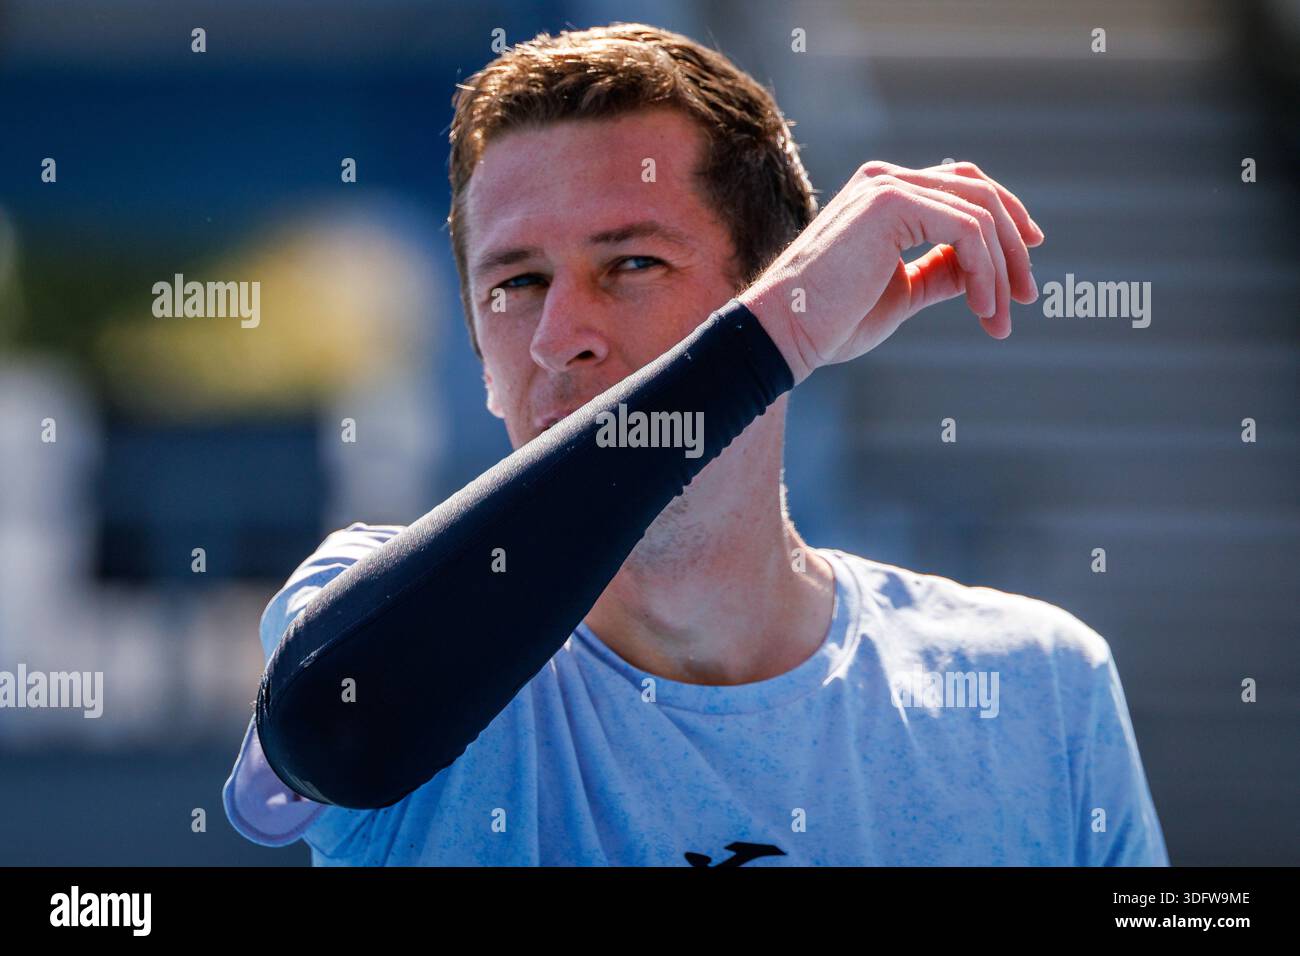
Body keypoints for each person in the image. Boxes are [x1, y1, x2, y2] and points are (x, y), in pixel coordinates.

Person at [223, 22, 1169, 866]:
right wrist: (778, 342)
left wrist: (768, 348)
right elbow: (334, 734)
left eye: (633, 263)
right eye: (514, 284)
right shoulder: (371, 608)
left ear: (776, 285)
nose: (558, 336)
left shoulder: (1036, 685)